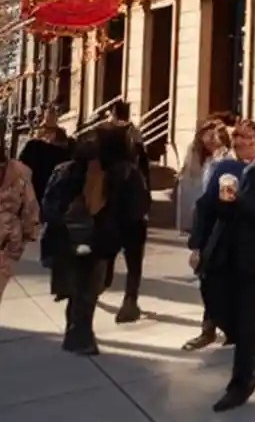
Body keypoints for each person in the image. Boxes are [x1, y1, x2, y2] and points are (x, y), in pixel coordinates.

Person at [191, 120, 255, 412]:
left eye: (248, 139)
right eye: (237, 140)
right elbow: (205, 207)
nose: (242, 144)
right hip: (222, 252)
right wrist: (197, 245)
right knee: (216, 304)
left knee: (248, 319)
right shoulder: (224, 169)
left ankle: (241, 383)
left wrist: (240, 200)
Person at [43, 125, 149, 355]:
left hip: (69, 240)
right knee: (89, 288)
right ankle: (80, 336)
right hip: (101, 240)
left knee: (77, 289)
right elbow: (136, 211)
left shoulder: (66, 169)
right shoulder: (126, 173)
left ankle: (75, 332)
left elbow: (49, 206)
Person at [177, 121, 235, 351]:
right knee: (212, 280)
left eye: (212, 136)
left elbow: (223, 203)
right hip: (209, 225)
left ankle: (212, 329)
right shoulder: (211, 161)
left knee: (211, 280)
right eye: (205, 136)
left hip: (217, 230)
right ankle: (218, 328)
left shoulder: (227, 163)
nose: (207, 140)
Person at [104, 100, 152, 323]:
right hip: (133, 213)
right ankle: (130, 301)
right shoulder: (136, 137)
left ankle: (100, 286)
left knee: (107, 255)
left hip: (109, 214)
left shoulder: (103, 139)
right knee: (134, 261)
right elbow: (145, 174)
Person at [18, 112, 73, 268]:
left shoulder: (34, 146)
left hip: (39, 191)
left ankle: (48, 256)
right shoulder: (65, 149)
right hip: (55, 193)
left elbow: (22, 166)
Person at [0, 122, 40, 308]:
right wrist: (27, 233)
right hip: (7, 244)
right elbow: (30, 209)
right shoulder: (19, 172)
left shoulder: (19, 172)